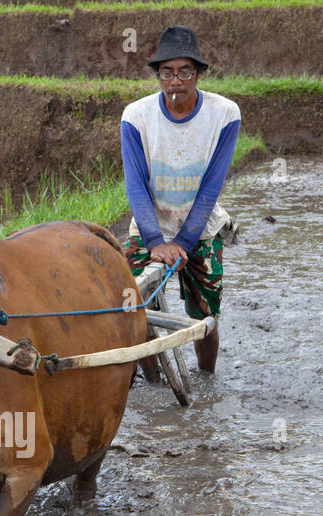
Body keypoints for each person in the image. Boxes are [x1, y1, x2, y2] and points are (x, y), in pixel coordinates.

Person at [121, 25, 240, 372]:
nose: (175, 81)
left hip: (199, 227)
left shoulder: (224, 115)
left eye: (185, 71)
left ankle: (206, 378)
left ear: (199, 73)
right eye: (167, 72)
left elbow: (212, 185)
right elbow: (136, 184)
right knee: (133, 308)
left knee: (205, 318)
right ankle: (154, 377)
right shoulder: (136, 117)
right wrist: (155, 240)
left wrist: (185, 241)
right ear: (158, 75)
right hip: (149, 224)